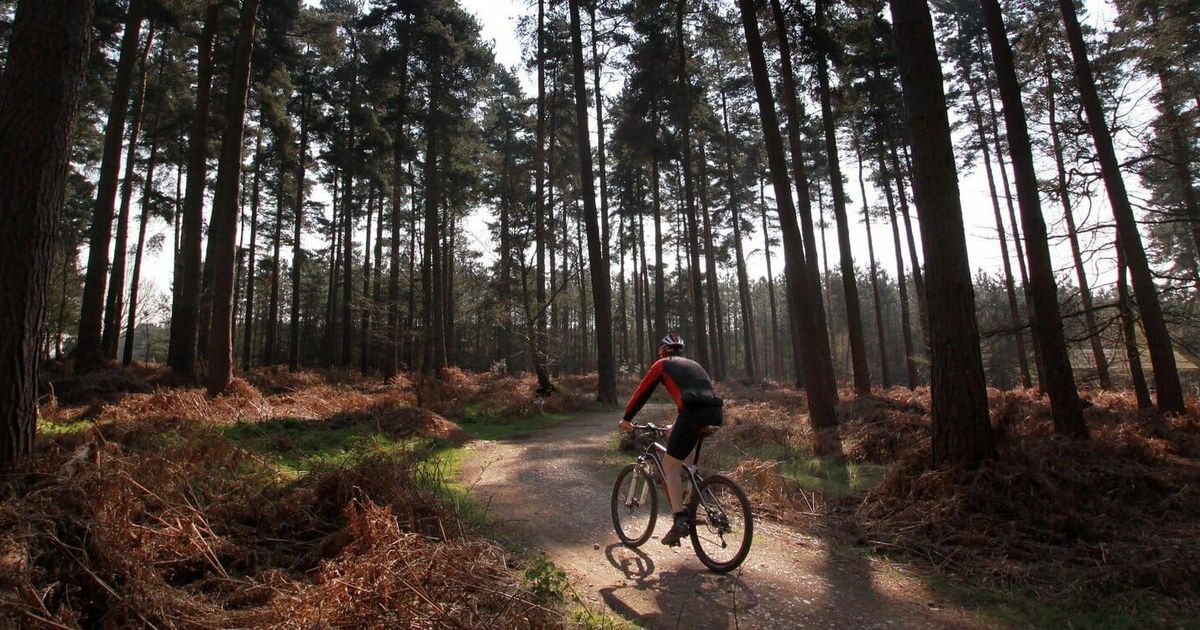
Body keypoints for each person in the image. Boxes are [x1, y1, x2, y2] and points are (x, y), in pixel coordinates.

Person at [620, 333, 724, 546]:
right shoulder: (693, 364)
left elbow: (642, 392)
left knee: (670, 466)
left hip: (692, 415)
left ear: (662, 351)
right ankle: (690, 504)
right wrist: (675, 426)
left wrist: (627, 418)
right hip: (714, 413)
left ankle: (680, 520)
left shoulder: (662, 365)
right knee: (687, 465)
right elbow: (695, 397)